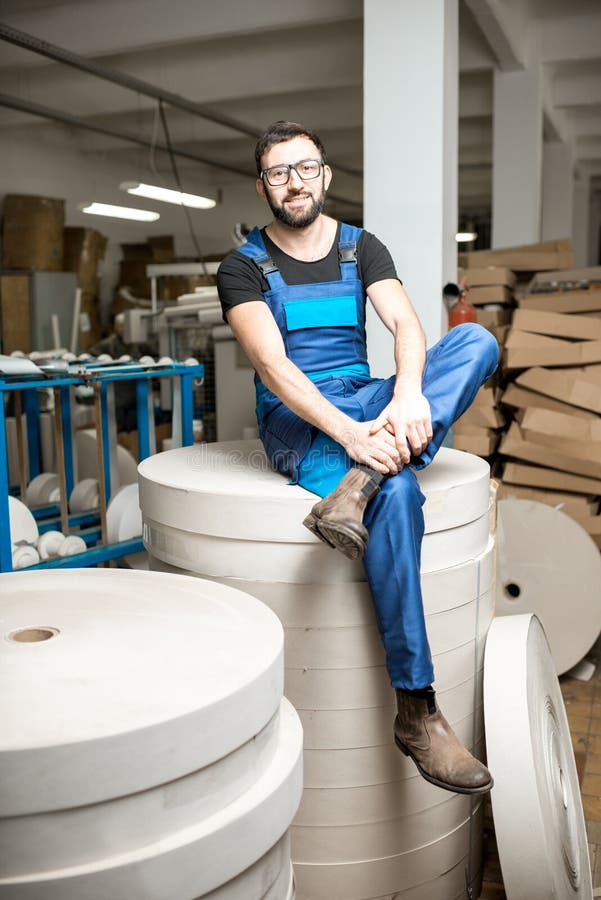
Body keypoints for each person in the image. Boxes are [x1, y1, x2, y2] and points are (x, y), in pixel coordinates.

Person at [217, 120, 498, 795]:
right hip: (302, 418)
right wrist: (349, 433)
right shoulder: (242, 266)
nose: (294, 182)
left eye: (304, 168)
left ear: (325, 175)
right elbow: (272, 365)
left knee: (476, 343)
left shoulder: (359, 247)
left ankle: (360, 482)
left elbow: (405, 325)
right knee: (399, 495)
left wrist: (402, 398)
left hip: (371, 398)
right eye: (279, 172)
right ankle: (417, 710)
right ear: (262, 186)